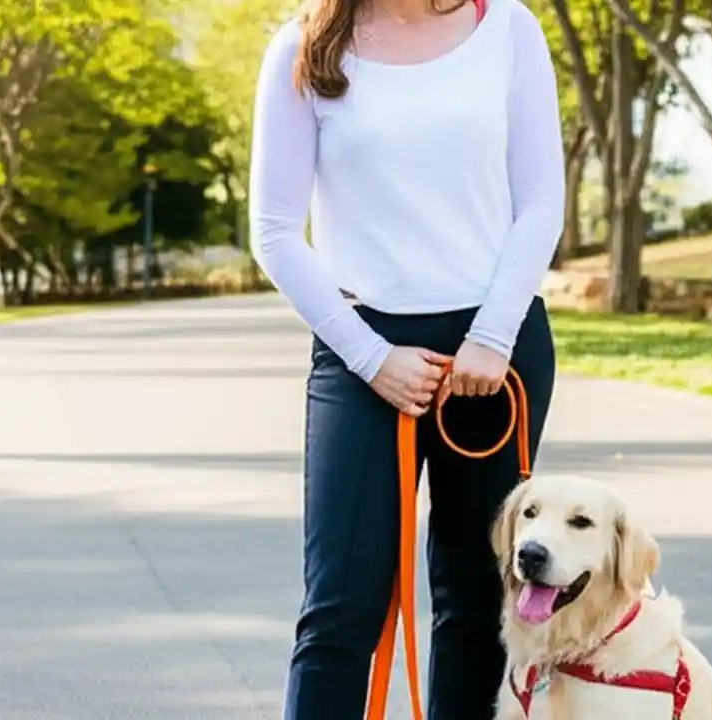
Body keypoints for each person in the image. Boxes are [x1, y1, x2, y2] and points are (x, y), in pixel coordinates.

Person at [247, 0, 565, 716]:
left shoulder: (509, 27)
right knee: (340, 604)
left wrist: (490, 337)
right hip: (361, 350)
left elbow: (541, 201)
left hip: (495, 351)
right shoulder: (303, 47)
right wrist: (369, 357)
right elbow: (273, 229)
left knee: (479, 599)